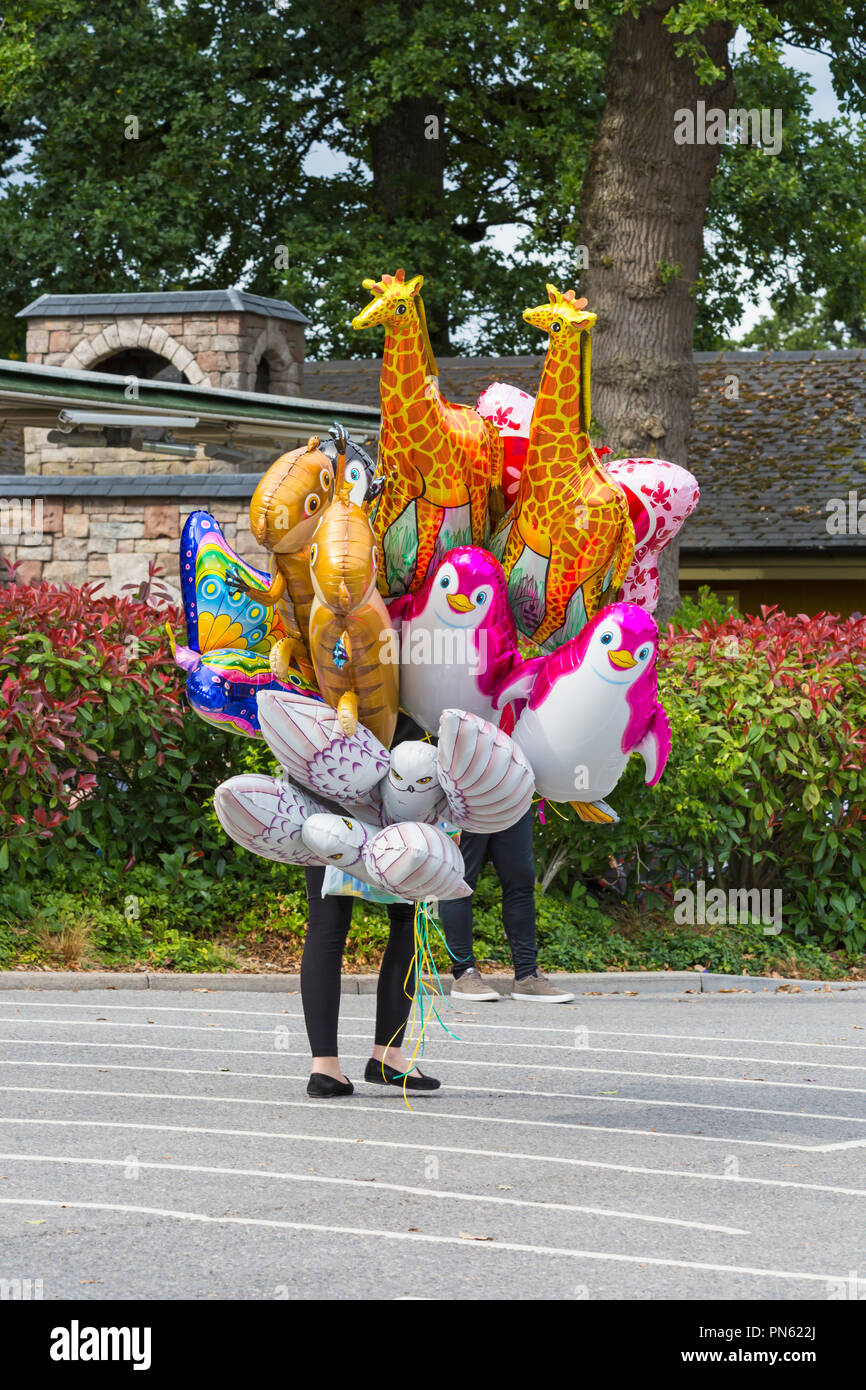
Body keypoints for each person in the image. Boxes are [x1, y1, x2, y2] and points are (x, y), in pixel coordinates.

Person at [439, 808, 574, 1003]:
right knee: (459, 883)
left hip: (514, 799)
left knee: (521, 885)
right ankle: (463, 974)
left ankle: (527, 977)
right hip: (467, 797)